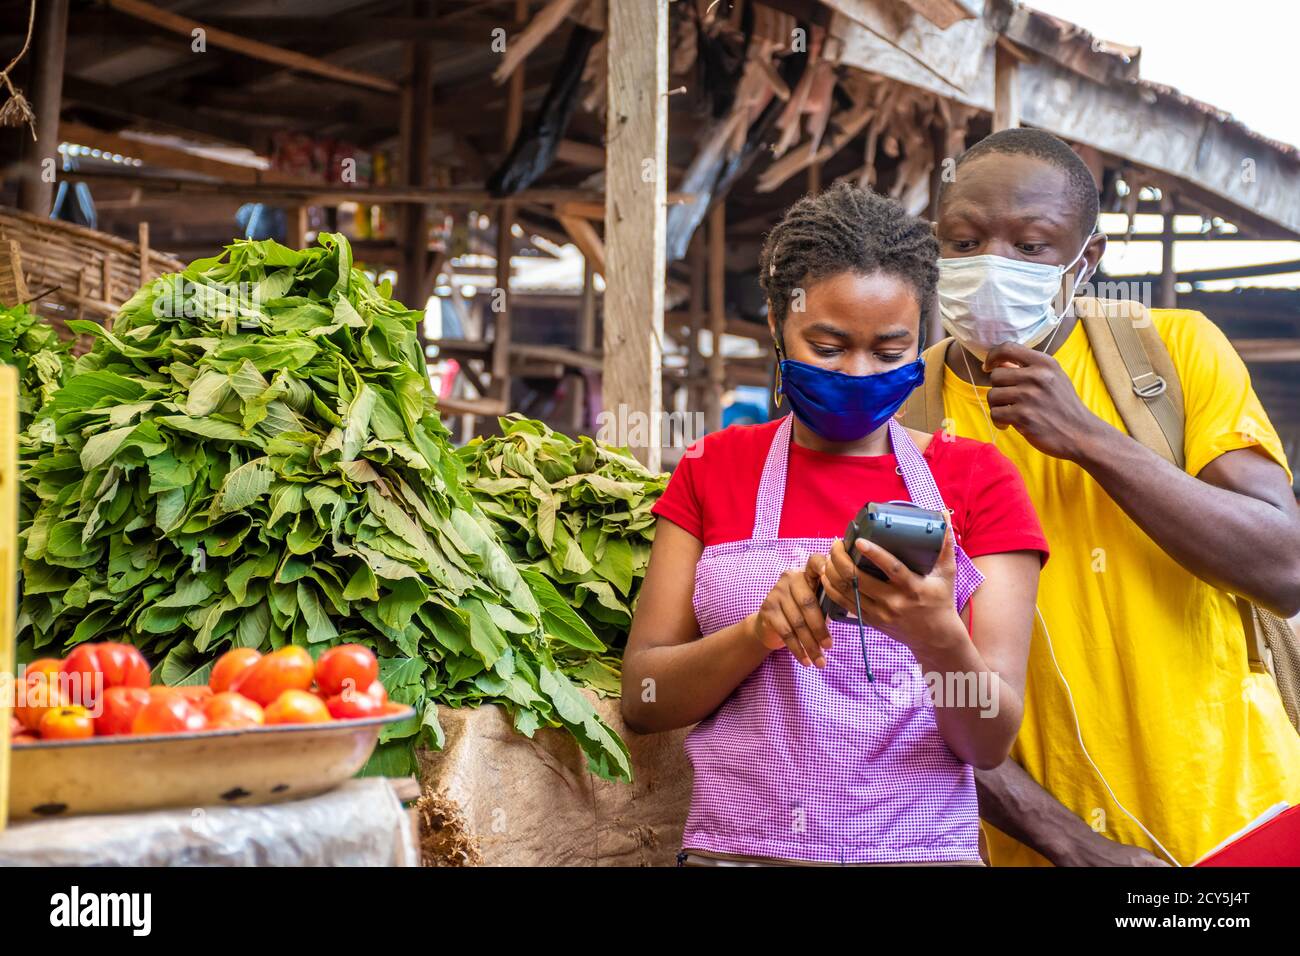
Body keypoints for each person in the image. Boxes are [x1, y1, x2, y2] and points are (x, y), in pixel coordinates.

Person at [621, 183, 1049, 865]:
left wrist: (937, 637)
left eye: (889, 349)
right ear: (775, 323)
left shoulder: (979, 481)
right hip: (737, 855)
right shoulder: (713, 467)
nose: (857, 371)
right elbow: (644, 697)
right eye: (826, 345)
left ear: (923, 337)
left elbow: (988, 744)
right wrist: (759, 632)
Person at [918, 127, 1300, 866]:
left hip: (1241, 819)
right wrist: (1072, 843)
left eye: (1031, 247)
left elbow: (1284, 570)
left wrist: (1088, 438)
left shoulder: (1175, 352)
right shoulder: (905, 412)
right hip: (1029, 849)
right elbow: (892, 681)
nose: (992, 266)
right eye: (964, 241)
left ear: (1085, 261)